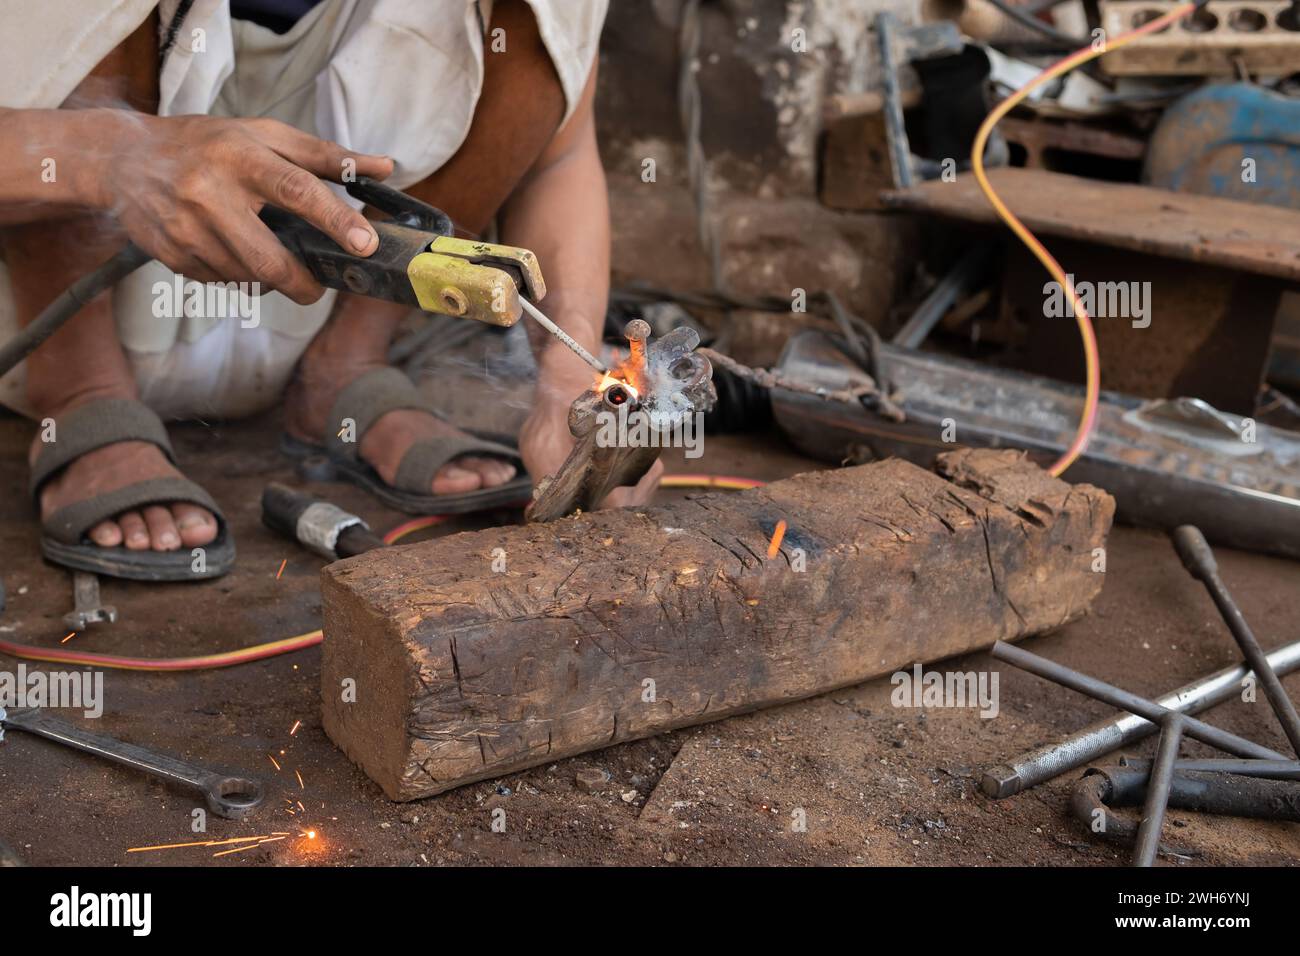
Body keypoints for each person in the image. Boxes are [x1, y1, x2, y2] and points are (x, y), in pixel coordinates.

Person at [0, 0, 658, 580]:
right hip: (51, 294)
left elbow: (560, 155)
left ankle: (344, 366)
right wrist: (113, 157)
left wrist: (570, 379)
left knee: (542, 12)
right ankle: (79, 386)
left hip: (311, 304)